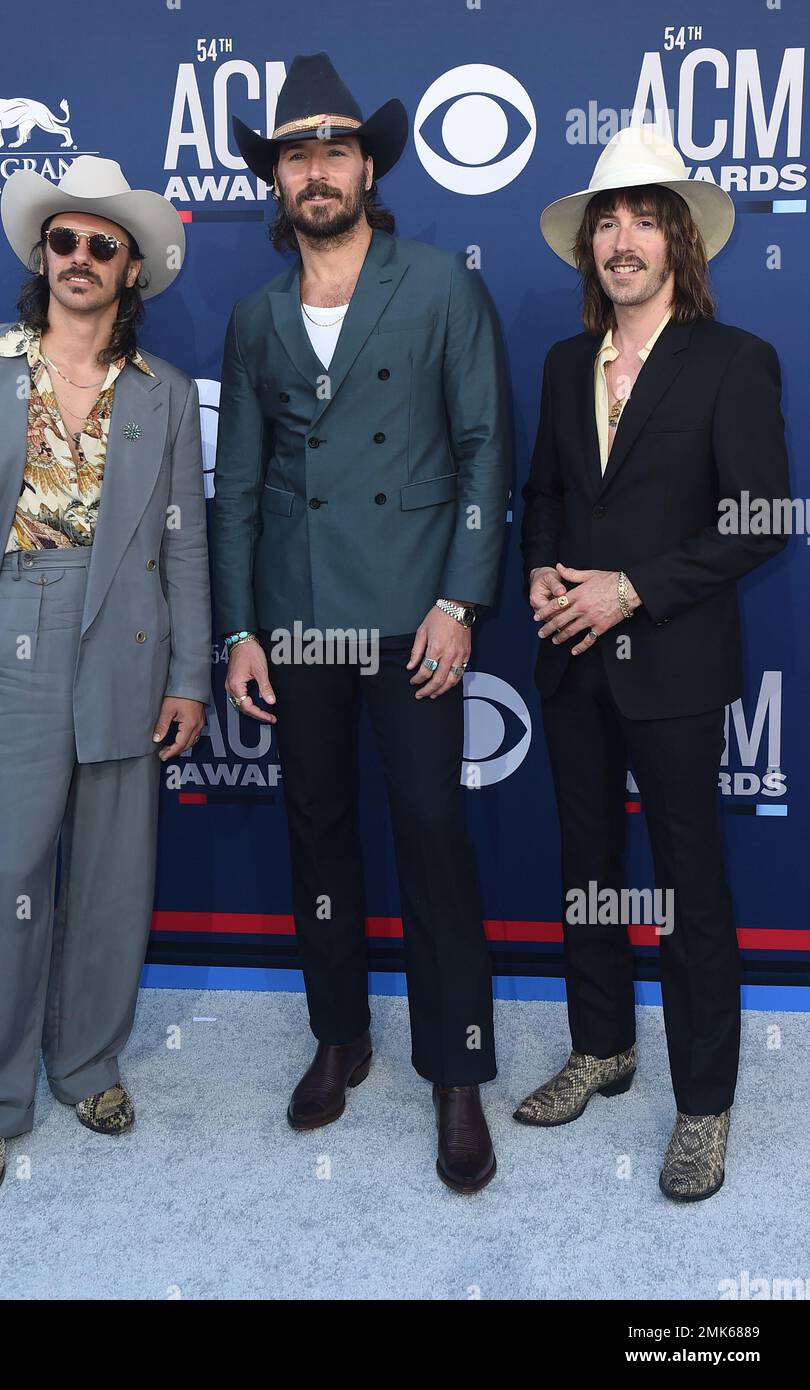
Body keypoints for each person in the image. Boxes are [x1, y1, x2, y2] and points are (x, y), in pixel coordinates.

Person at [213, 53, 511, 1193]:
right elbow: (237, 482)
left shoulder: (438, 285)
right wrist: (240, 627)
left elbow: (484, 446)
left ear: (368, 166)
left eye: (336, 150)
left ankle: (456, 1070)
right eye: (297, 154)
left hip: (412, 614)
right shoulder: (253, 318)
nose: (318, 170)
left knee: (433, 837)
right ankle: (338, 1035)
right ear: (277, 181)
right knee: (316, 829)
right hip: (297, 622)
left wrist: (458, 598)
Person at [0, 155, 211, 1198]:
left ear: (130, 272)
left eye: (101, 245)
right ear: (44, 256)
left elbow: (188, 548)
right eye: (64, 240)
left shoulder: (162, 396)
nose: (78, 258)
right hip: (13, 623)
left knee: (115, 876)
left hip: (127, 633)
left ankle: (85, 1065)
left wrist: (188, 675)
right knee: (5, 880)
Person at [518, 124, 790, 1200]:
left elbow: (759, 518)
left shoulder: (733, 361)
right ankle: (601, 1047)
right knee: (586, 872)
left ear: (676, 240)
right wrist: (543, 569)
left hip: (671, 661)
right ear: (588, 246)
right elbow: (542, 492)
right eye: (606, 222)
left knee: (690, 889)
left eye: (641, 219)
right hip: (570, 661)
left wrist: (631, 587)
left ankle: (703, 1103)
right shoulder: (557, 363)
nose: (621, 239)